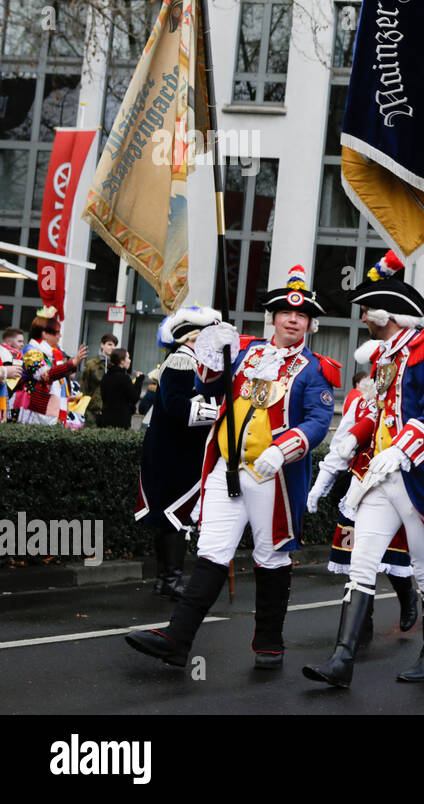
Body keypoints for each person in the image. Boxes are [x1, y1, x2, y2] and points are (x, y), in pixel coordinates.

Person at [125, 266, 339, 670]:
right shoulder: (242, 351)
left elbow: (316, 420)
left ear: (310, 325)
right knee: (211, 552)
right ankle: (177, 638)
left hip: (272, 476)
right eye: (285, 313)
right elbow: (207, 392)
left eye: (301, 316)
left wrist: (284, 449)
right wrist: (209, 354)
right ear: (272, 318)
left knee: (270, 556)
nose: (292, 320)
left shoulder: (316, 370)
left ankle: (269, 644)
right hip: (227, 468)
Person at [303, 251, 424, 688]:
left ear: (383, 314)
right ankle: (342, 660)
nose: (362, 317)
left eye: (365, 310)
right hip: (381, 476)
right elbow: (381, 413)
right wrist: (347, 449)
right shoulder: (386, 356)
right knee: (362, 562)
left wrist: (401, 451)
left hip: (417, 478)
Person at [307, 360, 424, 649]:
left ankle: (408, 596)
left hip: (399, 491)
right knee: (358, 560)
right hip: (362, 488)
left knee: (393, 555)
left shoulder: (410, 407)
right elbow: (340, 449)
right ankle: (361, 627)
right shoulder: (361, 406)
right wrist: (319, 486)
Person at [134, 306, 222, 600]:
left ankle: (165, 581)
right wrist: (220, 413)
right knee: (174, 515)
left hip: (174, 448)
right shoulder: (183, 361)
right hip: (175, 450)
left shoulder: (193, 362)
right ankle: (170, 580)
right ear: (194, 338)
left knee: (168, 516)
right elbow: (176, 406)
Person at [17, 309, 87, 426]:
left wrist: (72, 365)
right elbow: (46, 375)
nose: (60, 335)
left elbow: (59, 374)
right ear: (45, 334)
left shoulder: (53, 352)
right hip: (33, 409)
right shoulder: (31, 352)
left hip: (48, 409)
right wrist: (72, 363)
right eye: (57, 332)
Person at [99, 347, 144, 429]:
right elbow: (134, 397)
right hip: (121, 422)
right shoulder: (124, 378)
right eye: (128, 358)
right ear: (122, 361)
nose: (130, 360)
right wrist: (139, 381)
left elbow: (103, 397)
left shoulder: (106, 376)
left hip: (106, 420)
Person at [80, 333, 118, 427]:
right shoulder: (91, 364)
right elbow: (84, 387)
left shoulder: (116, 366)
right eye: (109, 344)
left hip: (110, 410)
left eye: (114, 345)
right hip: (92, 408)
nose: (112, 347)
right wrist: (85, 405)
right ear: (102, 345)